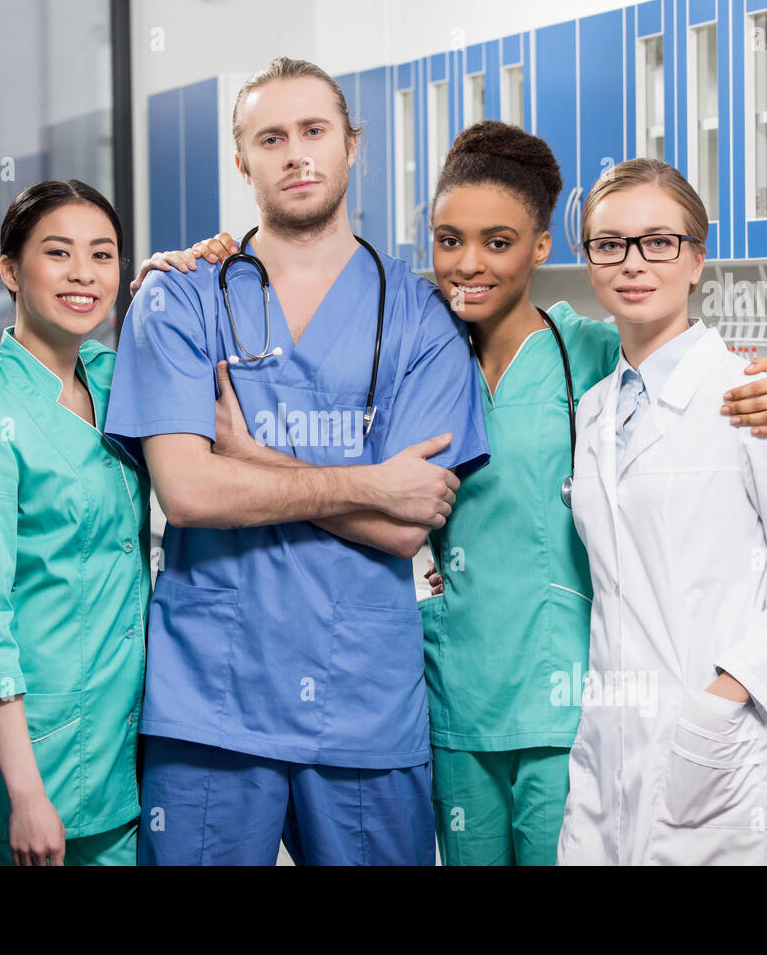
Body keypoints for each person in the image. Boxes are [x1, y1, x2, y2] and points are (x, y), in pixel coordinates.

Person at [154, 121, 767, 867]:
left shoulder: (592, 356)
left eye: (499, 243)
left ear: (540, 248)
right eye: (447, 239)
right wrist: (196, 265)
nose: (468, 264)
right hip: (452, 702)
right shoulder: (404, 347)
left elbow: (685, 372)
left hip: (569, 711)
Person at [105, 57, 489, 866]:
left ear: (352, 146)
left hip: (362, 703)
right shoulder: (179, 297)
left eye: (315, 131)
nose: (297, 153)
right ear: (241, 162)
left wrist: (247, 457)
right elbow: (189, 492)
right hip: (212, 700)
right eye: (270, 138)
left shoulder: (421, 317)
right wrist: (371, 481)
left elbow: (405, 528)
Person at [555, 157, 767, 865]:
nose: (633, 263)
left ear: (696, 259)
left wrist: (721, 701)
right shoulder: (596, 409)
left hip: (722, 761)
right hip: (607, 758)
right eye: (610, 244)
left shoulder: (747, 395)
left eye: (658, 242)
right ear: (591, 260)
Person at [0, 180, 148, 866]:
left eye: (103, 255)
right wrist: (26, 794)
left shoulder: (118, 381)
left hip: (126, 750)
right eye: (58, 254)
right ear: (10, 270)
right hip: (36, 766)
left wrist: (186, 272)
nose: (84, 274)